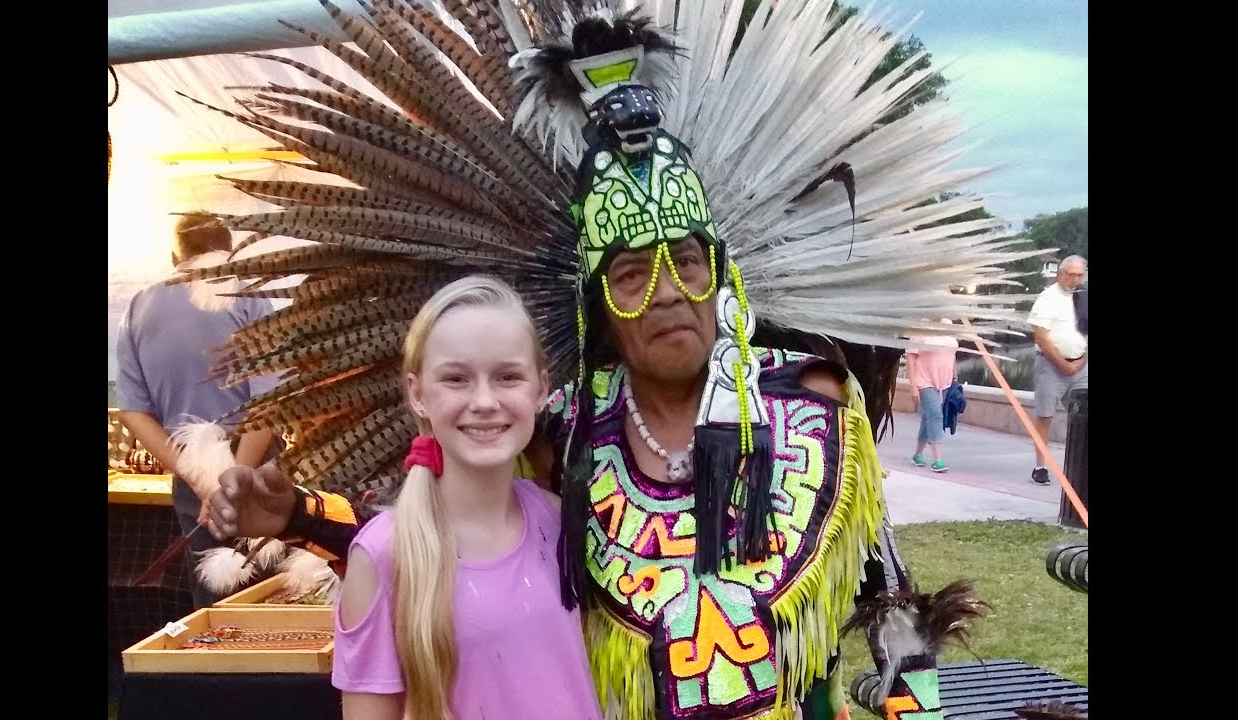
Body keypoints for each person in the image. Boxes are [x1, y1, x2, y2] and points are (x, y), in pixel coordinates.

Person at [186, 3, 1036, 718]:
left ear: (722, 274)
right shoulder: (562, 442)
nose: (668, 292)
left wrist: (908, 697)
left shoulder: (814, 403)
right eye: (632, 272)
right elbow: (424, 532)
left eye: (688, 262)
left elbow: (889, 595)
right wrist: (296, 513)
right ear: (596, 305)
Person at [328, 275, 603, 719]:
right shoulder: (384, 555)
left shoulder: (557, 521)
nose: (484, 401)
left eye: (508, 376)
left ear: (540, 389)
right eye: (456, 379)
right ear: (418, 394)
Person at [114, 211, 277, 608]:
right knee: (275, 600)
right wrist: (236, 478)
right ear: (230, 250)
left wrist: (201, 481)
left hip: (189, 470)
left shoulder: (138, 307)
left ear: (175, 257)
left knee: (215, 613)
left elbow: (132, 411)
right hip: (256, 467)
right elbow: (270, 402)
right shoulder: (250, 297)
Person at [1025, 255, 1088, 486]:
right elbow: (1041, 336)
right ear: (1060, 274)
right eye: (1070, 274)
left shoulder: (1083, 297)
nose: (1074, 279)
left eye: (1079, 275)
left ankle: (1080, 467)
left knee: (1083, 413)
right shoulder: (1047, 298)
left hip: (1080, 365)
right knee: (1045, 415)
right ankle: (1040, 466)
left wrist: (1081, 360)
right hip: (1051, 365)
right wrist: (1063, 363)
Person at [906, 320, 961, 472]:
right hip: (924, 380)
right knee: (936, 415)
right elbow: (910, 359)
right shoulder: (919, 328)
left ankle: (917, 454)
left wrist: (955, 377)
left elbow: (952, 354)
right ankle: (938, 459)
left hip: (945, 381)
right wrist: (913, 387)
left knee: (928, 417)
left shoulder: (947, 324)